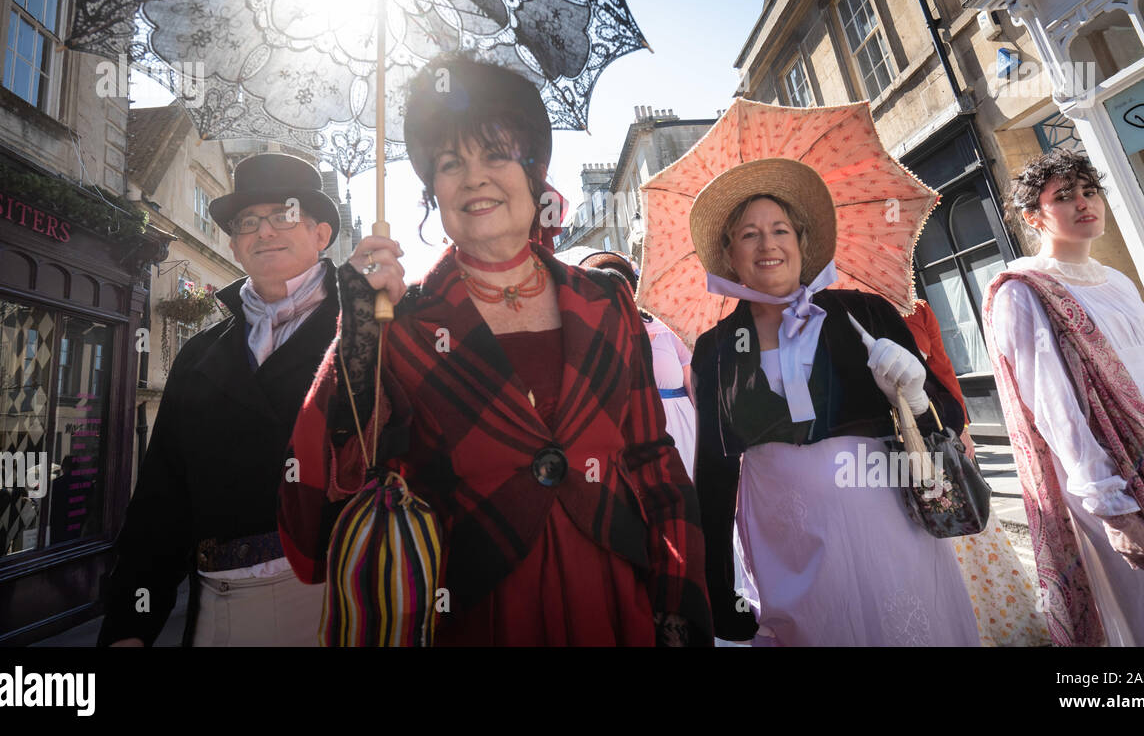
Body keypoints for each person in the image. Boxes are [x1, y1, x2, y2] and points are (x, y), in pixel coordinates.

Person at [279, 56, 711, 646]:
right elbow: (323, 496)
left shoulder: (607, 302)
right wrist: (356, 335)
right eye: (451, 163)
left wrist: (679, 609)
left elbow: (654, 463)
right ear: (434, 190)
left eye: (496, 154)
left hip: (616, 606)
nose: (474, 177)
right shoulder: (401, 324)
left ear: (534, 173)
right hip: (476, 615)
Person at [690, 158, 980, 646]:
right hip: (786, 538)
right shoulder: (716, 349)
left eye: (780, 229)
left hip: (888, 518)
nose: (768, 244)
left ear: (802, 243)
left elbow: (943, 418)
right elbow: (714, 474)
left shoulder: (865, 313)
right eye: (749, 234)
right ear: (729, 255)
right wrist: (719, 592)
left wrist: (914, 393)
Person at [984, 149, 1144, 646]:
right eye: (1064, 197)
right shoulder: (1025, 291)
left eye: (1090, 191)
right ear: (1034, 217)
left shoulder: (1118, 280)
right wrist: (1115, 508)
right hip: (1120, 472)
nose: (1084, 203)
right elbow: (1056, 410)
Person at [98, 153, 344, 646]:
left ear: (321, 234)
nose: (265, 231)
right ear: (234, 244)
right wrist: (130, 626)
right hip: (219, 605)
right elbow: (160, 503)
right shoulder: (200, 354)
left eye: (285, 215)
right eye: (248, 222)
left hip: (336, 600)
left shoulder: (368, 335)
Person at [904, 299, 1050, 646]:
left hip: (936, 434)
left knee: (967, 525)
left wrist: (964, 427)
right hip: (886, 444)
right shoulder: (838, 312)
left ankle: (996, 627)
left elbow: (942, 369)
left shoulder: (918, 308)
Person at [580, 251, 699, 479]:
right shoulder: (597, 347)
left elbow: (694, 388)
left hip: (686, 431)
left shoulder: (668, 331)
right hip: (637, 436)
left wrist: (712, 436)